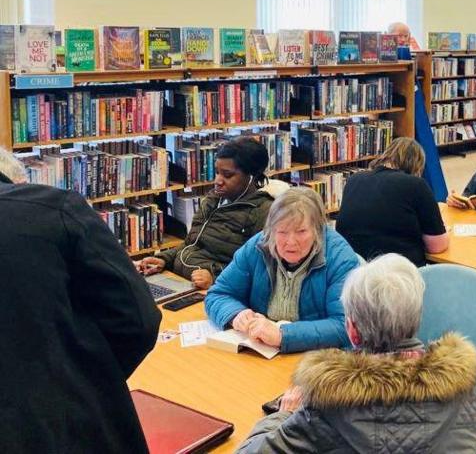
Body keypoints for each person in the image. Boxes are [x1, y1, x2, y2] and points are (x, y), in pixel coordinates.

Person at [237, 254, 476, 453]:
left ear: (352, 331)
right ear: (416, 320)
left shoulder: (327, 403)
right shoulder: (464, 389)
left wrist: (284, 415)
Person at [0, 147, 161, 452]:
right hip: (67, 421)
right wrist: (89, 371)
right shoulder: (53, 209)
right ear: (17, 181)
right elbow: (139, 321)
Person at [205, 187, 360, 353]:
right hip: (262, 351)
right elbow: (219, 294)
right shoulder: (257, 247)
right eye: (282, 232)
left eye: (301, 232)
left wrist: (283, 335)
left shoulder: (341, 258)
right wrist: (236, 314)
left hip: (317, 358)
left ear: (318, 230)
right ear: (271, 230)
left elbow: (345, 326)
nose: (291, 242)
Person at [136, 137, 287, 289]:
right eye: (217, 172)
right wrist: (164, 259)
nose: (218, 181)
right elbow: (191, 243)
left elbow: (258, 270)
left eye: (227, 175)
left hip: (214, 290)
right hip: (180, 281)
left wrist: (215, 277)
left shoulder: (263, 211)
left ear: (251, 177)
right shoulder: (213, 199)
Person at [336, 138, 448, 267]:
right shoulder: (416, 185)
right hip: (398, 274)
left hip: (355, 271)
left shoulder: (354, 180)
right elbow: (437, 246)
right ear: (417, 165)